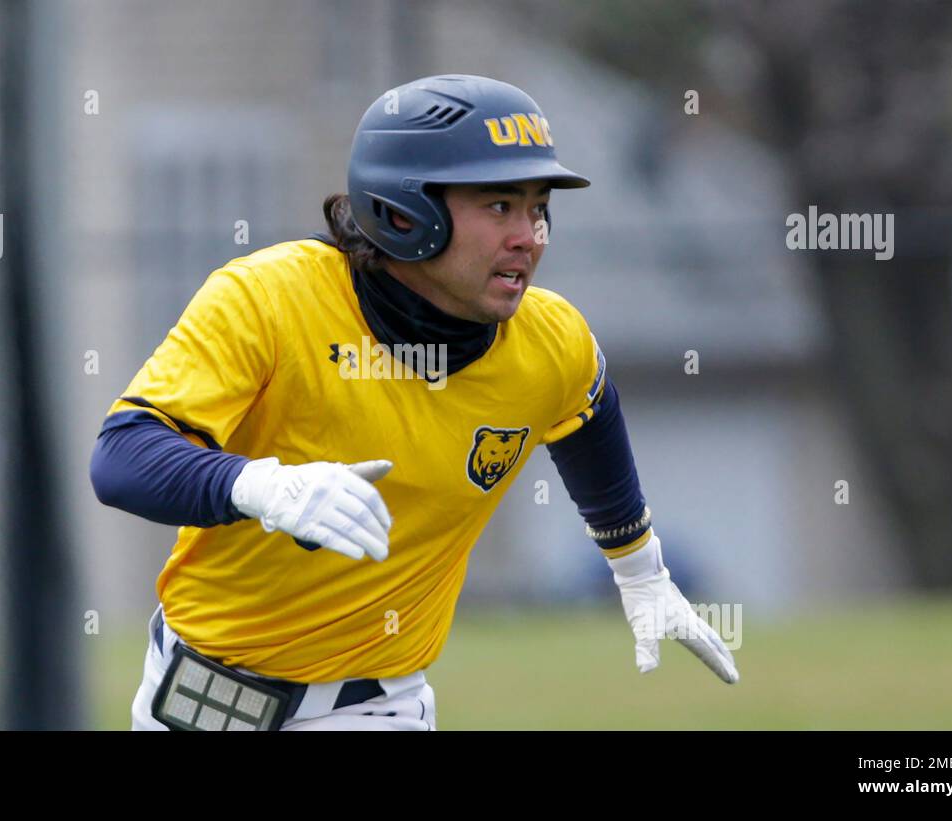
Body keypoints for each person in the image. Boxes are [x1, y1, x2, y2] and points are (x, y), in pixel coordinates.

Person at [90, 74, 738, 732]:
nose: (531, 235)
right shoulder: (269, 299)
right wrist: (259, 485)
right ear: (404, 211)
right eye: (499, 206)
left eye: (538, 206)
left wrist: (638, 568)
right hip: (198, 698)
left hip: (373, 708)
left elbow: (590, 412)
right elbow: (121, 456)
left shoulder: (550, 340)